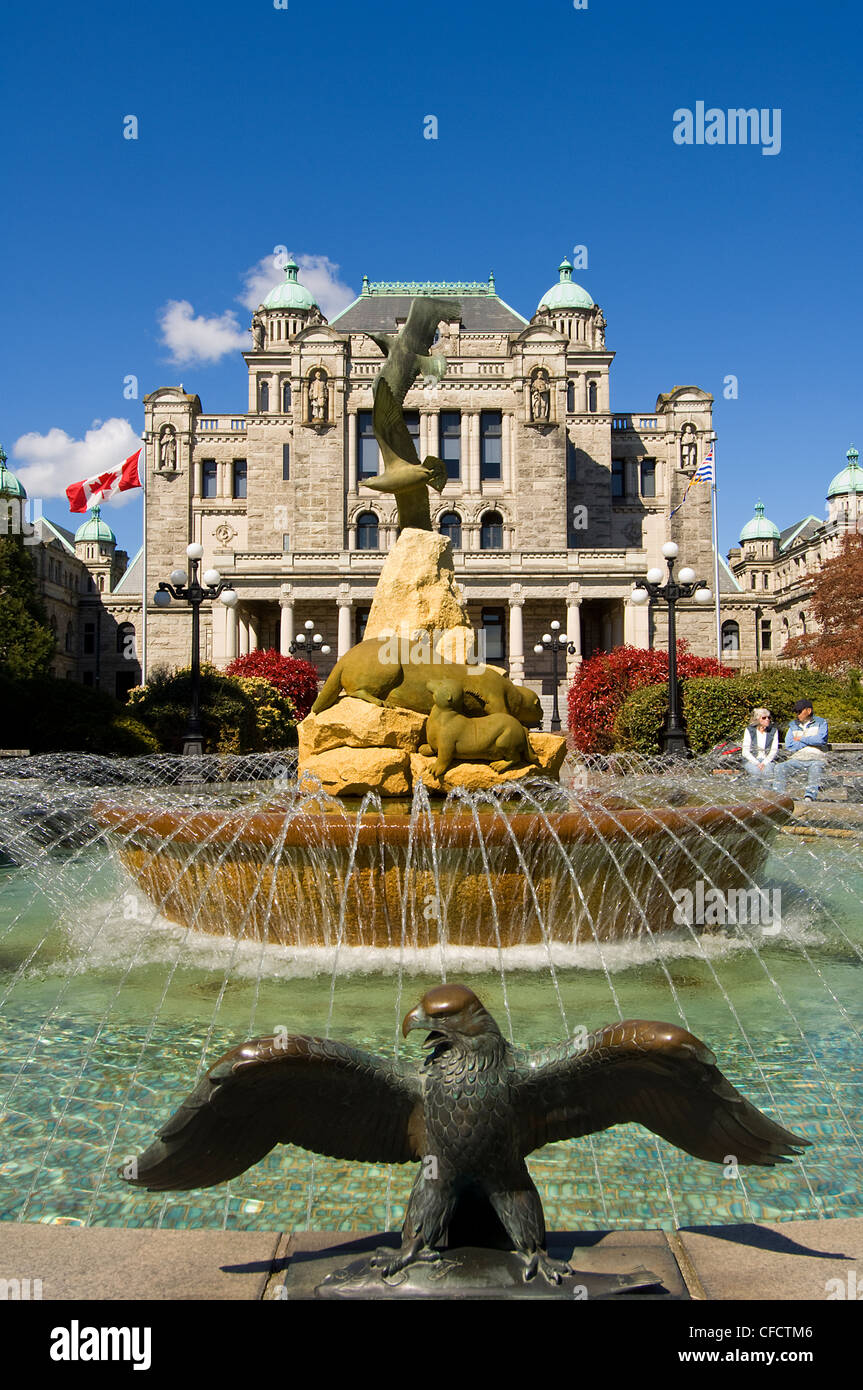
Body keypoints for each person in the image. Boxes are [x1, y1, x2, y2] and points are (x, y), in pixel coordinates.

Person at [773, 699, 829, 801]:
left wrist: (801, 739)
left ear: (808, 711)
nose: (797, 714)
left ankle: (809, 796)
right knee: (780, 767)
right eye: (796, 712)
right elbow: (790, 745)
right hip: (797, 758)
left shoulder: (821, 722)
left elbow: (820, 740)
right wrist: (810, 741)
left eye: (799, 711)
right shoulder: (793, 725)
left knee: (816, 767)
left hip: (816, 757)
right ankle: (778, 797)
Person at [741, 707, 779, 782]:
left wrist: (764, 763)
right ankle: (754, 792)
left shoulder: (773, 731)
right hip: (752, 760)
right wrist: (757, 763)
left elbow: (774, 750)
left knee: (768, 774)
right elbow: (745, 751)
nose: (767, 719)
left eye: (769, 717)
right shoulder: (749, 730)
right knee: (756, 773)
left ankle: (766, 792)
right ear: (758, 719)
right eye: (764, 718)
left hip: (767, 760)